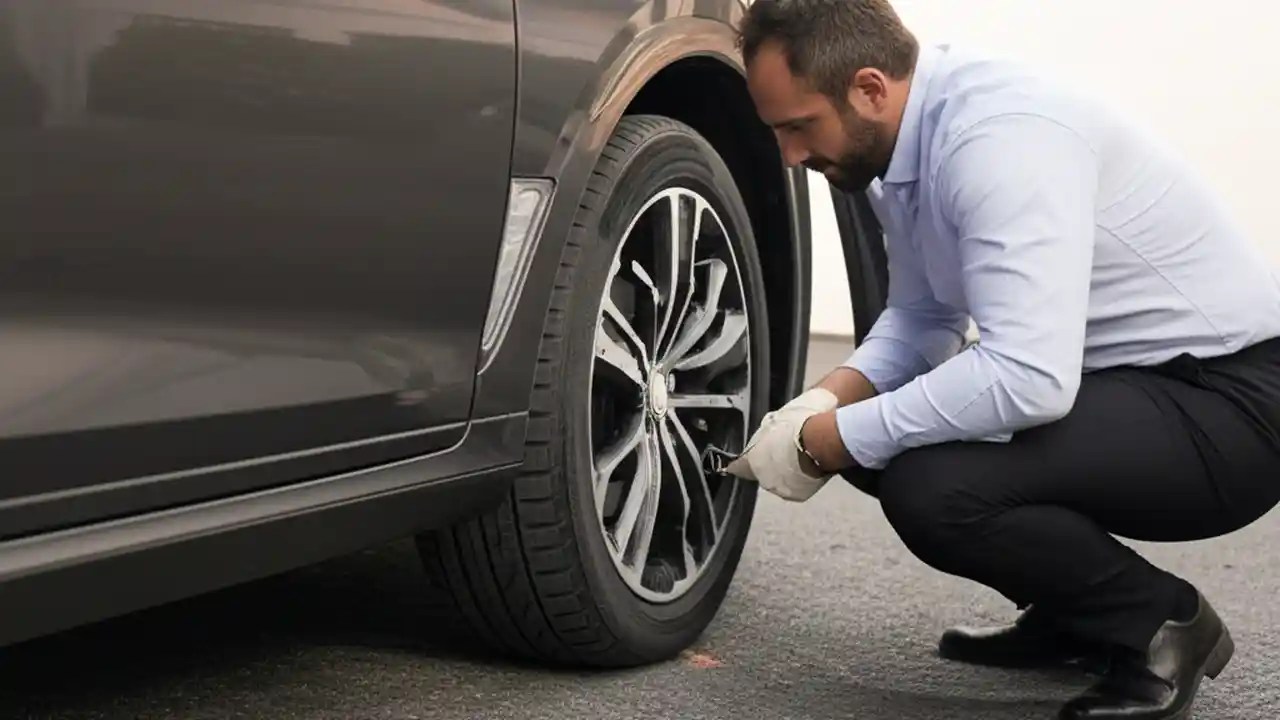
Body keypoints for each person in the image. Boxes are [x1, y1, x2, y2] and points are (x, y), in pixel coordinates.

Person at [727, 1, 1280, 719]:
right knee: (872, 439)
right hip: (1138, 384)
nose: (790, 156)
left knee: (931, 485)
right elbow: (927, 316)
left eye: (798, 127)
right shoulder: (906, 137)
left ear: (868, 88)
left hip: (1232, 409)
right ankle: (1074, 612)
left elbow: (1028, 377)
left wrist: (835, 436)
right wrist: (824, 404)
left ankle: (1160, 625)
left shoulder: (997, 142)